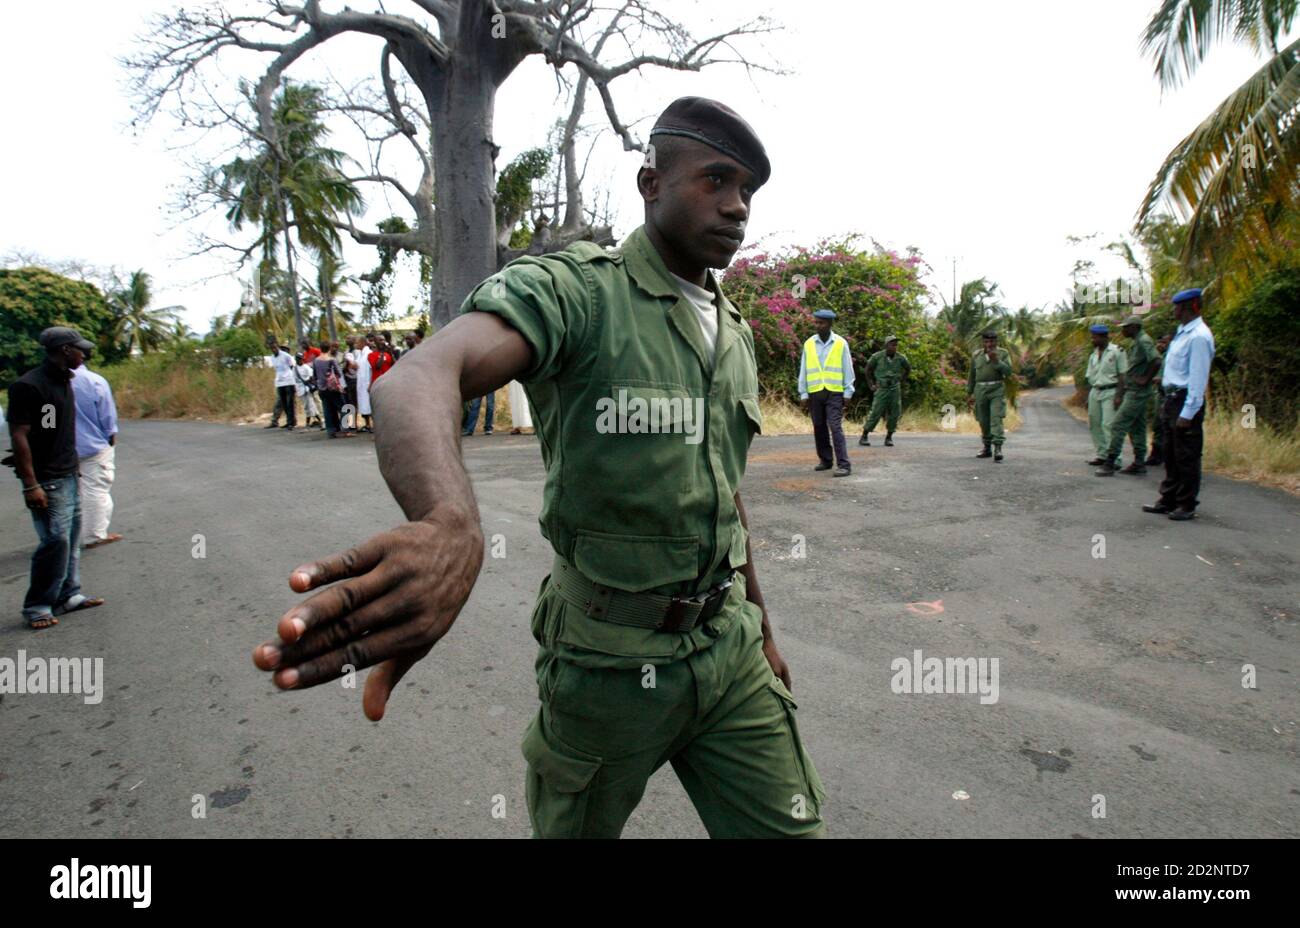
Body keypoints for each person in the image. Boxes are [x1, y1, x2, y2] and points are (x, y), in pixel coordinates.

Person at [252, 96, 826, 839]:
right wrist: (448, 523)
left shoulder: (736, 334)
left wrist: (764, 629)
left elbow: (725, 491)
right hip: (608, 666)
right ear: (651, 183)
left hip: (731, 654)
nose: (737, 206)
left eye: (748, 191)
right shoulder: (579, 293)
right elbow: (421, 378)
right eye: (715, 180)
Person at [6, 327, 106, 629]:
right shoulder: (28, 386)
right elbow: (19, 434)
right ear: (64, 350)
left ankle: (68, 595)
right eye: (79, 350)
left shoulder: (63, 382)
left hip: (67, 473)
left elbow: (50, 427)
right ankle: (37, 606)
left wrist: (71, 463)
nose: (84, 355)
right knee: (55, 542)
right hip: (47, 480)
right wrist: (31, 483)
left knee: (71, 540)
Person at [1143, 288, 1215, 521]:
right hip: (1170, 399)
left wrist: (1189, 412)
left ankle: (1186, 504)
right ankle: (1168, 499)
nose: (1174, 310)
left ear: (1187, 308)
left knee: (1186, 455)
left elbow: (1197, 378)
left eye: (1177, 307)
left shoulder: (1199, 337)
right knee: (1171, 453)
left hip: (1184, 401)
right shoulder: (1182, 334)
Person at [1097, 315, 1159, 476]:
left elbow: (1156, 360)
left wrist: (1146, 378)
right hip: (1136, 391)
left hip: (1137, 393)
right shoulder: (1137, 342)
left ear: (1134, 327)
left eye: (1126, 327)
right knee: (1137, 427)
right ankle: (1139, 463)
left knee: (1118, 425)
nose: (1123, 330)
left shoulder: (1144, 340)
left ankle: (1110, 462)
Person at [71, 361, 122, 548]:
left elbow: (47, 418)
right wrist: (110, 435)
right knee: (96, 489)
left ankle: (67, 534)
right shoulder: (94, 381)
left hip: (62, 449)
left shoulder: (47, 382)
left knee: (70, 491)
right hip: (92, 446)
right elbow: (107, 415)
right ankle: (94, 535)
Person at [798, 308, 854, 476]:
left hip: (834, 391)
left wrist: (848, 392)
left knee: (835, 427)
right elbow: (804, 369)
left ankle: (844, 464)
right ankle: (826, 460)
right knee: (819, 426)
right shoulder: (809, 343)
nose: (817, 325)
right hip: (815, 392)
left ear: (829, 324)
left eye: (821, 323)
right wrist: (803, 393)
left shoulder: (840, 343)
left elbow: (847, 368)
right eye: (816, 322)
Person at [1084, 324, 1127, 466]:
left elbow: (1122, 375)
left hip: (1111, 390)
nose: (1092, 340)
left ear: (1104, 337)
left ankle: (1115, 457)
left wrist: (1119, 395)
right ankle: (1101, 454)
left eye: (1094, 337)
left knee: (1108, 424)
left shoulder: (1117, 352)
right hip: (1095, 390)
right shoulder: (1093, 355)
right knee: (1094, 423)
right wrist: (1088, 397)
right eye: (1091, 337)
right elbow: (1090, 376)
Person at [966, 330, 1012, 461]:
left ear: (996, 341)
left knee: (996, 418)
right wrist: (969, 393)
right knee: (983, 420)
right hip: (980, 390)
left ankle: (998, 448)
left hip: (996, 389)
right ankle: (987, 448)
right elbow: (972, 376)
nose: (989, 344)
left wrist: (997, 361)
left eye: (992, 341)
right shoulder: (976, 355)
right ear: (983, 342)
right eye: (986, 341)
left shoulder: (1003, 353)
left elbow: (1008, 372)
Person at [858, 335, 910, 447]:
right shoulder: (877, 357)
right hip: (881, 388)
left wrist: (902, 380)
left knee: (895, 412)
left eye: (896, 345)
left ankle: (889, 437)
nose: (895, 347)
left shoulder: (901, 358)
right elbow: (867, 370)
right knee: (876, 411)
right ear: (886, 345)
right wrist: (871, 385)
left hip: (894, 388)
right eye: (892, 344)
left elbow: (908, 369)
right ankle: (864, 435)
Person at [1145, 332, 1174, 467]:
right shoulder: (1161, 357)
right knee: (1158, 425)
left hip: (1170, 395)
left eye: (1164, 342)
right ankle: (1157, 454)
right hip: (1160, 394)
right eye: (1160, 342)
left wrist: (1160, 380)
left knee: (1166, 426)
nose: (1161, 345)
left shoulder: (1172, 356)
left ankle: (1164, 455)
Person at [312, 341, 347, 438]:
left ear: (320, 348)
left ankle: (331, 431)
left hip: (322, 389)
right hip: (333, 388)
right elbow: (339, 373)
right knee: (343, 407)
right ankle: (347, 428)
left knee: (327, 410)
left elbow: (314, 376)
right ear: (329, 349)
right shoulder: (331, 360)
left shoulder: (316, 361)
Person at [269, 343, 298, 431]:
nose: (274, 350)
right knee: (284, 403)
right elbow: (276, 369)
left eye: (275, 348)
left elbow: (292, 366)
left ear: (278, 348)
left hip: (289, 381)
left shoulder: (286, 356)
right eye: (272, 348)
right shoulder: (272, 357)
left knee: (290, 403)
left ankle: (291, 422)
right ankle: (289, 421)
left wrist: (293, 380)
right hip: (280, 382)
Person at [294, 352, 322, 429]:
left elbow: (312, 377)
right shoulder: (295, 369)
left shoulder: (306, 367)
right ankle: (316, 422)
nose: (299, 360)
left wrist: (308, 382)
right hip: (300, 389)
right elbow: (295, 380)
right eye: (297, 359)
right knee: (306, 406)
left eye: (300, 359)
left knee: (311, 405)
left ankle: (316, 421)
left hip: (307, 389)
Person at [355, 334, 374, 432]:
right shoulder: (359, 354)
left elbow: (372, 369)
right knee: (363, 404)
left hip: (367, 382)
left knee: (369, 404)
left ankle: (373, 425)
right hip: (361, 383)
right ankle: (367, 424)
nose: (355, 344)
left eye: (357, 342)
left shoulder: (369, 354)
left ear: (362, 343)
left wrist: (371, 383)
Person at [342, 336, 360, 431]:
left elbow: (356, 366)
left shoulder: (357, 352)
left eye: (349, 338)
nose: (347, 340)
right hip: (347, 379)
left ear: (354, 340)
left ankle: (354, 424)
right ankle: (348, 424)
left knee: (354, 402)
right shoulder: (346, 352)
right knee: (347, 402)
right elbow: (344, 366)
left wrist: (350, 363)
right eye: (346, 338)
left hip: (355, 379)